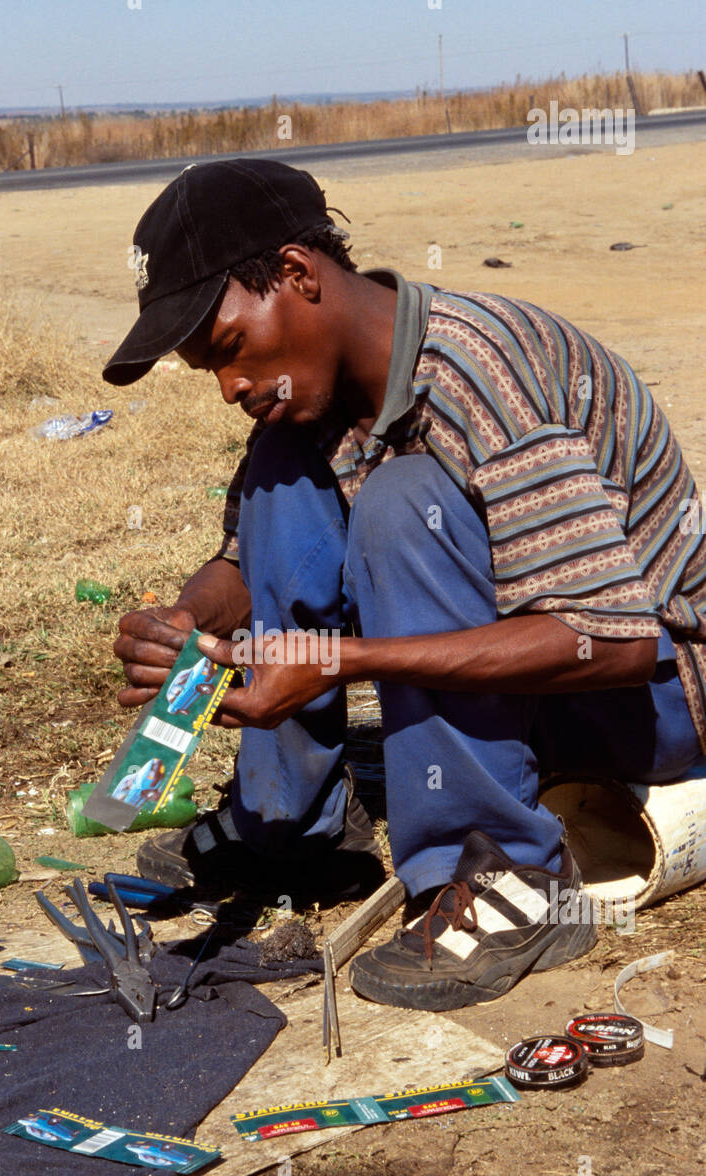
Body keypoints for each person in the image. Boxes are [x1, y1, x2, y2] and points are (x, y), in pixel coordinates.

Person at [102, 158, 706, 1011]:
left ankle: (511, 873)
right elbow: (248, 561)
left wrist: (337, 660)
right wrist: (186, 617)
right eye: (209, 369)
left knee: (402, 500)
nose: (229, 387)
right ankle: (291, 825)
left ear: (298, 275)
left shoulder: (479, 378)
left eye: (230, 350)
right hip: (536, 681)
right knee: (282, 471)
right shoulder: (314, 396)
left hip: (653, 697)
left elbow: (611, 641)